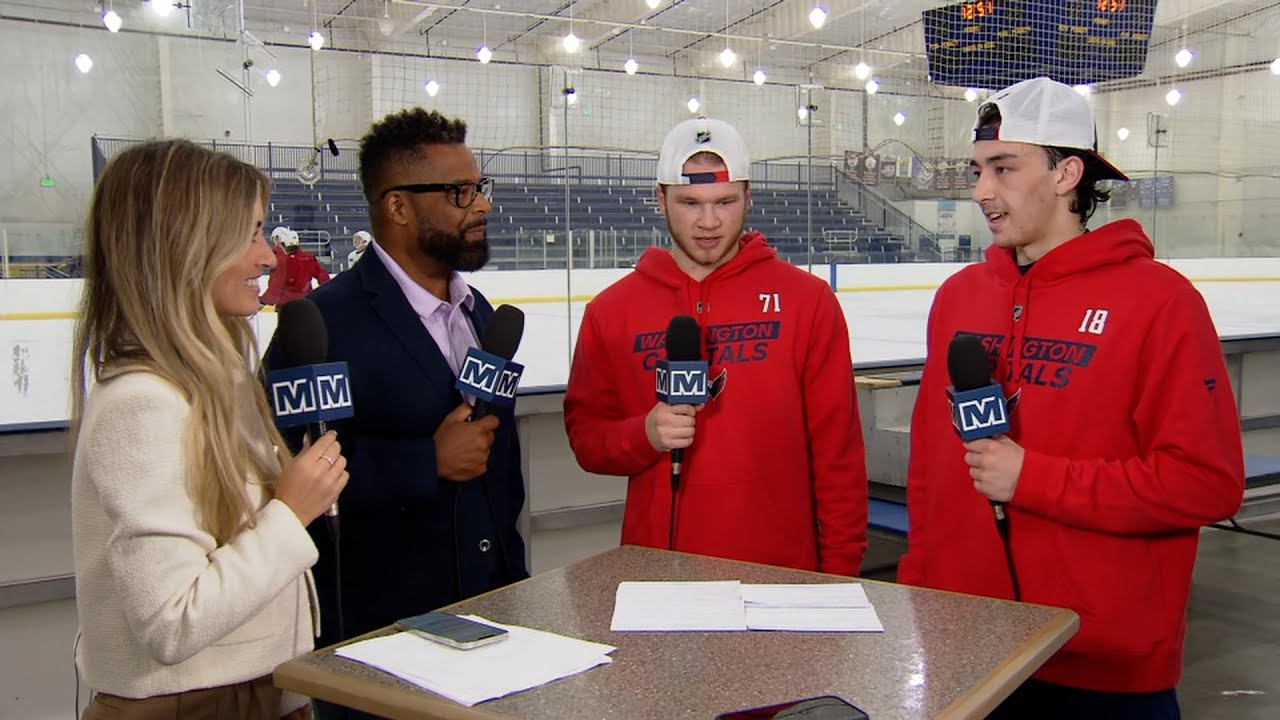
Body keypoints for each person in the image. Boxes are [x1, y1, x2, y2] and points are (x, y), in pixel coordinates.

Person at [897, 77, 1245, 719]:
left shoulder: (1160, 304)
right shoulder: (959, 299)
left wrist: (1035, 478)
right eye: (977, 170)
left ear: (1066, 174)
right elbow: (930, 472)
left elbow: (1206, 483)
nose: (980, 192)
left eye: (1003, 168)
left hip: (1101, 670)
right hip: (966, 645)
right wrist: (923, 596)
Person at [70, 139, 348, 720]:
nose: (269, 258)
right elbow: (172, 621)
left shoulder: (213, 385)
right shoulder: (142, 404)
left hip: (259, 688)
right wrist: (290, 512)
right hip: (195, 705)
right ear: (185, 248)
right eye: (249, 234)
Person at [264, 108, 528, 661]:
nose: (481, 204)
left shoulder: (478, 315)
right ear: (398, 206)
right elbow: (280, 476)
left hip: (494, 620)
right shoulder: (320, 328)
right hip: (379, 641)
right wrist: (424, 461)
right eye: (459, 192)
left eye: (479, 187)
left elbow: (499, 478)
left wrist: (514, 584)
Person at [562, 117, 868, 576]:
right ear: (660, 198)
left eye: (724, 202)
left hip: (781, 573)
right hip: (657, 572)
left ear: (748, 197)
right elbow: (587, 440)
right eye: (690, 203)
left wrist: (841, 571)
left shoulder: (808, 302)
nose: (708, 222)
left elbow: (837, 453)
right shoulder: (611, 311)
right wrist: (643, 434)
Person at [274, 229, 331, 303]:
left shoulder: (281, 261)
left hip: (287, 302)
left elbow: (275, 285)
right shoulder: (308, 258)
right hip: (307, 300)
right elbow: (322, 275)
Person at [259, 226, 293, 306]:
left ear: (278, 238)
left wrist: (265, 300)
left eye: (274, 239)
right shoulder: (300, 256)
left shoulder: (279, 258)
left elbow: (277, 283)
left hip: (285, 301)